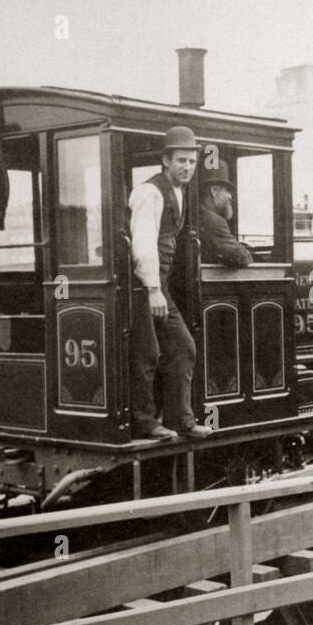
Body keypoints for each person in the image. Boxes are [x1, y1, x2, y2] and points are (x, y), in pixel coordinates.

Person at [128, 125, 212, 441]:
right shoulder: (150, 192)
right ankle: (145, 423)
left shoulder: (179, 191)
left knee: (182, 347)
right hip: (142, 285)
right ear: (166, 160)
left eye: (192, 161)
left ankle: (180, 421)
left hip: (157, 284)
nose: (187, 167)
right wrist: (152, 290)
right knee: (147, 353)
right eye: (181, 160)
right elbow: (144, 244)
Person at [198, 160, 253, 268]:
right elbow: (242, 258)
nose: (230, 196)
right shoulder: (214, 221)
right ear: (214, 191)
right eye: (227, 191)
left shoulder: (199, 213)